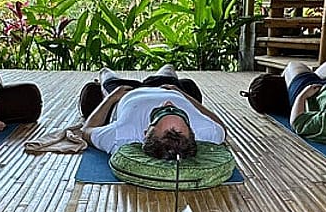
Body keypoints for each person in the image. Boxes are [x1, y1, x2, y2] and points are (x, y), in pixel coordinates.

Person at [82, 64, 227, 160]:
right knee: (168, 67)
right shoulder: (206, 132)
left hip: (127, 92)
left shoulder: (122, 134)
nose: (168, 103)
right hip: (168, 88)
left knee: (105, 72)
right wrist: (182, 94)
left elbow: (87, 130)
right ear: (192, 132)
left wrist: (112, 97)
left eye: (160, 113)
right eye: (178, 112)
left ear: (145, 133)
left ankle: (104, 78)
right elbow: (221, 126)